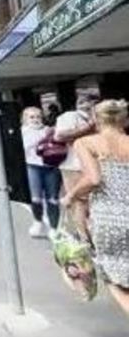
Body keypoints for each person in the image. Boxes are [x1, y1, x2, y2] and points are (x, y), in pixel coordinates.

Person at [62, 100, 129, 317]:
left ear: (97, 120)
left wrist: (71, 195)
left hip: (109, 219)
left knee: (111, 275)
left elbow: (94, 178)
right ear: (123, 119)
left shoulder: (86, 143)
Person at [55, 94, 99, 234]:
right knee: (78, 201)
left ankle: (91, 235)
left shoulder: (101, 118)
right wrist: (88, 127)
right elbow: (60, 136)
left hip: (95, 165)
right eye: (86, 103)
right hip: (73, 165)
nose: (89, 106)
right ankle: (83, 237)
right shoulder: (69, 117)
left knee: (92, 202)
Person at [21, 107, 61, 238]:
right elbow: (24, 148)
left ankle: (54, 228)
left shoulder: (48, 130)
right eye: (31, 117)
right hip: (33, 166)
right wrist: (43, 138)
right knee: (35, 198)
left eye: (38, 116)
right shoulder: (22, 132)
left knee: (53, 198)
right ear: (25, 119)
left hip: (51, 167)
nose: (35, 119)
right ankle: (38, 221)